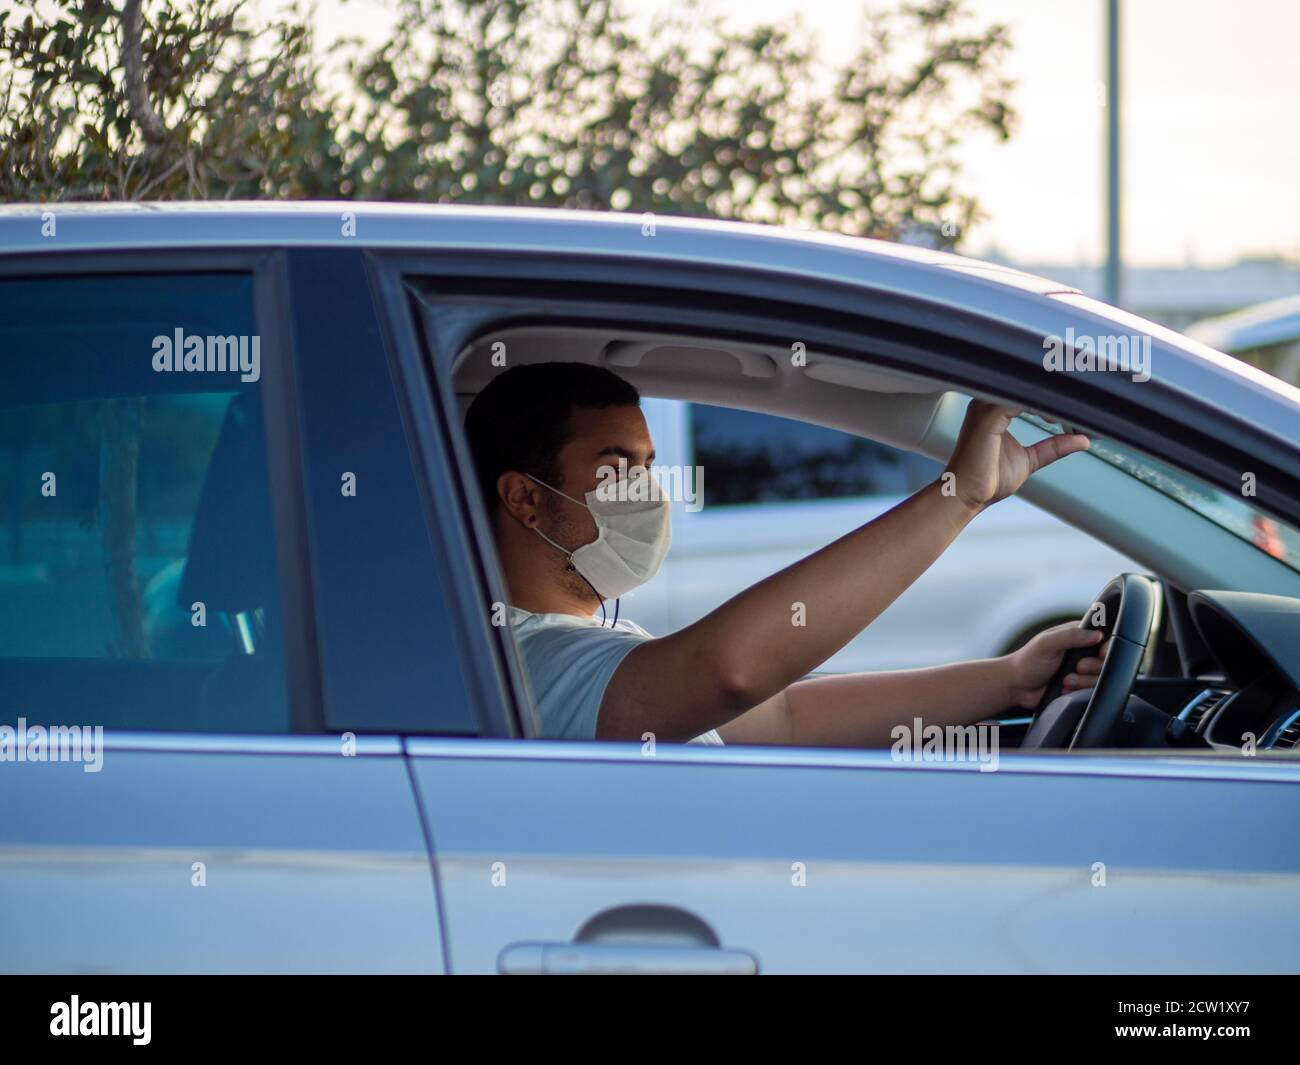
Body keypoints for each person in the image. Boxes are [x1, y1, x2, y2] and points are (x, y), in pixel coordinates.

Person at [466, 361, 1106, 746]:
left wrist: (1013, 677)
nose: (645, 490)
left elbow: (788, 716)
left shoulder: (589, 652)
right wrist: (958, 496)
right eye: (616, 467)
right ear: (525, 497)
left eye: (648, 466)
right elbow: (730, 671)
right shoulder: (527, 666)